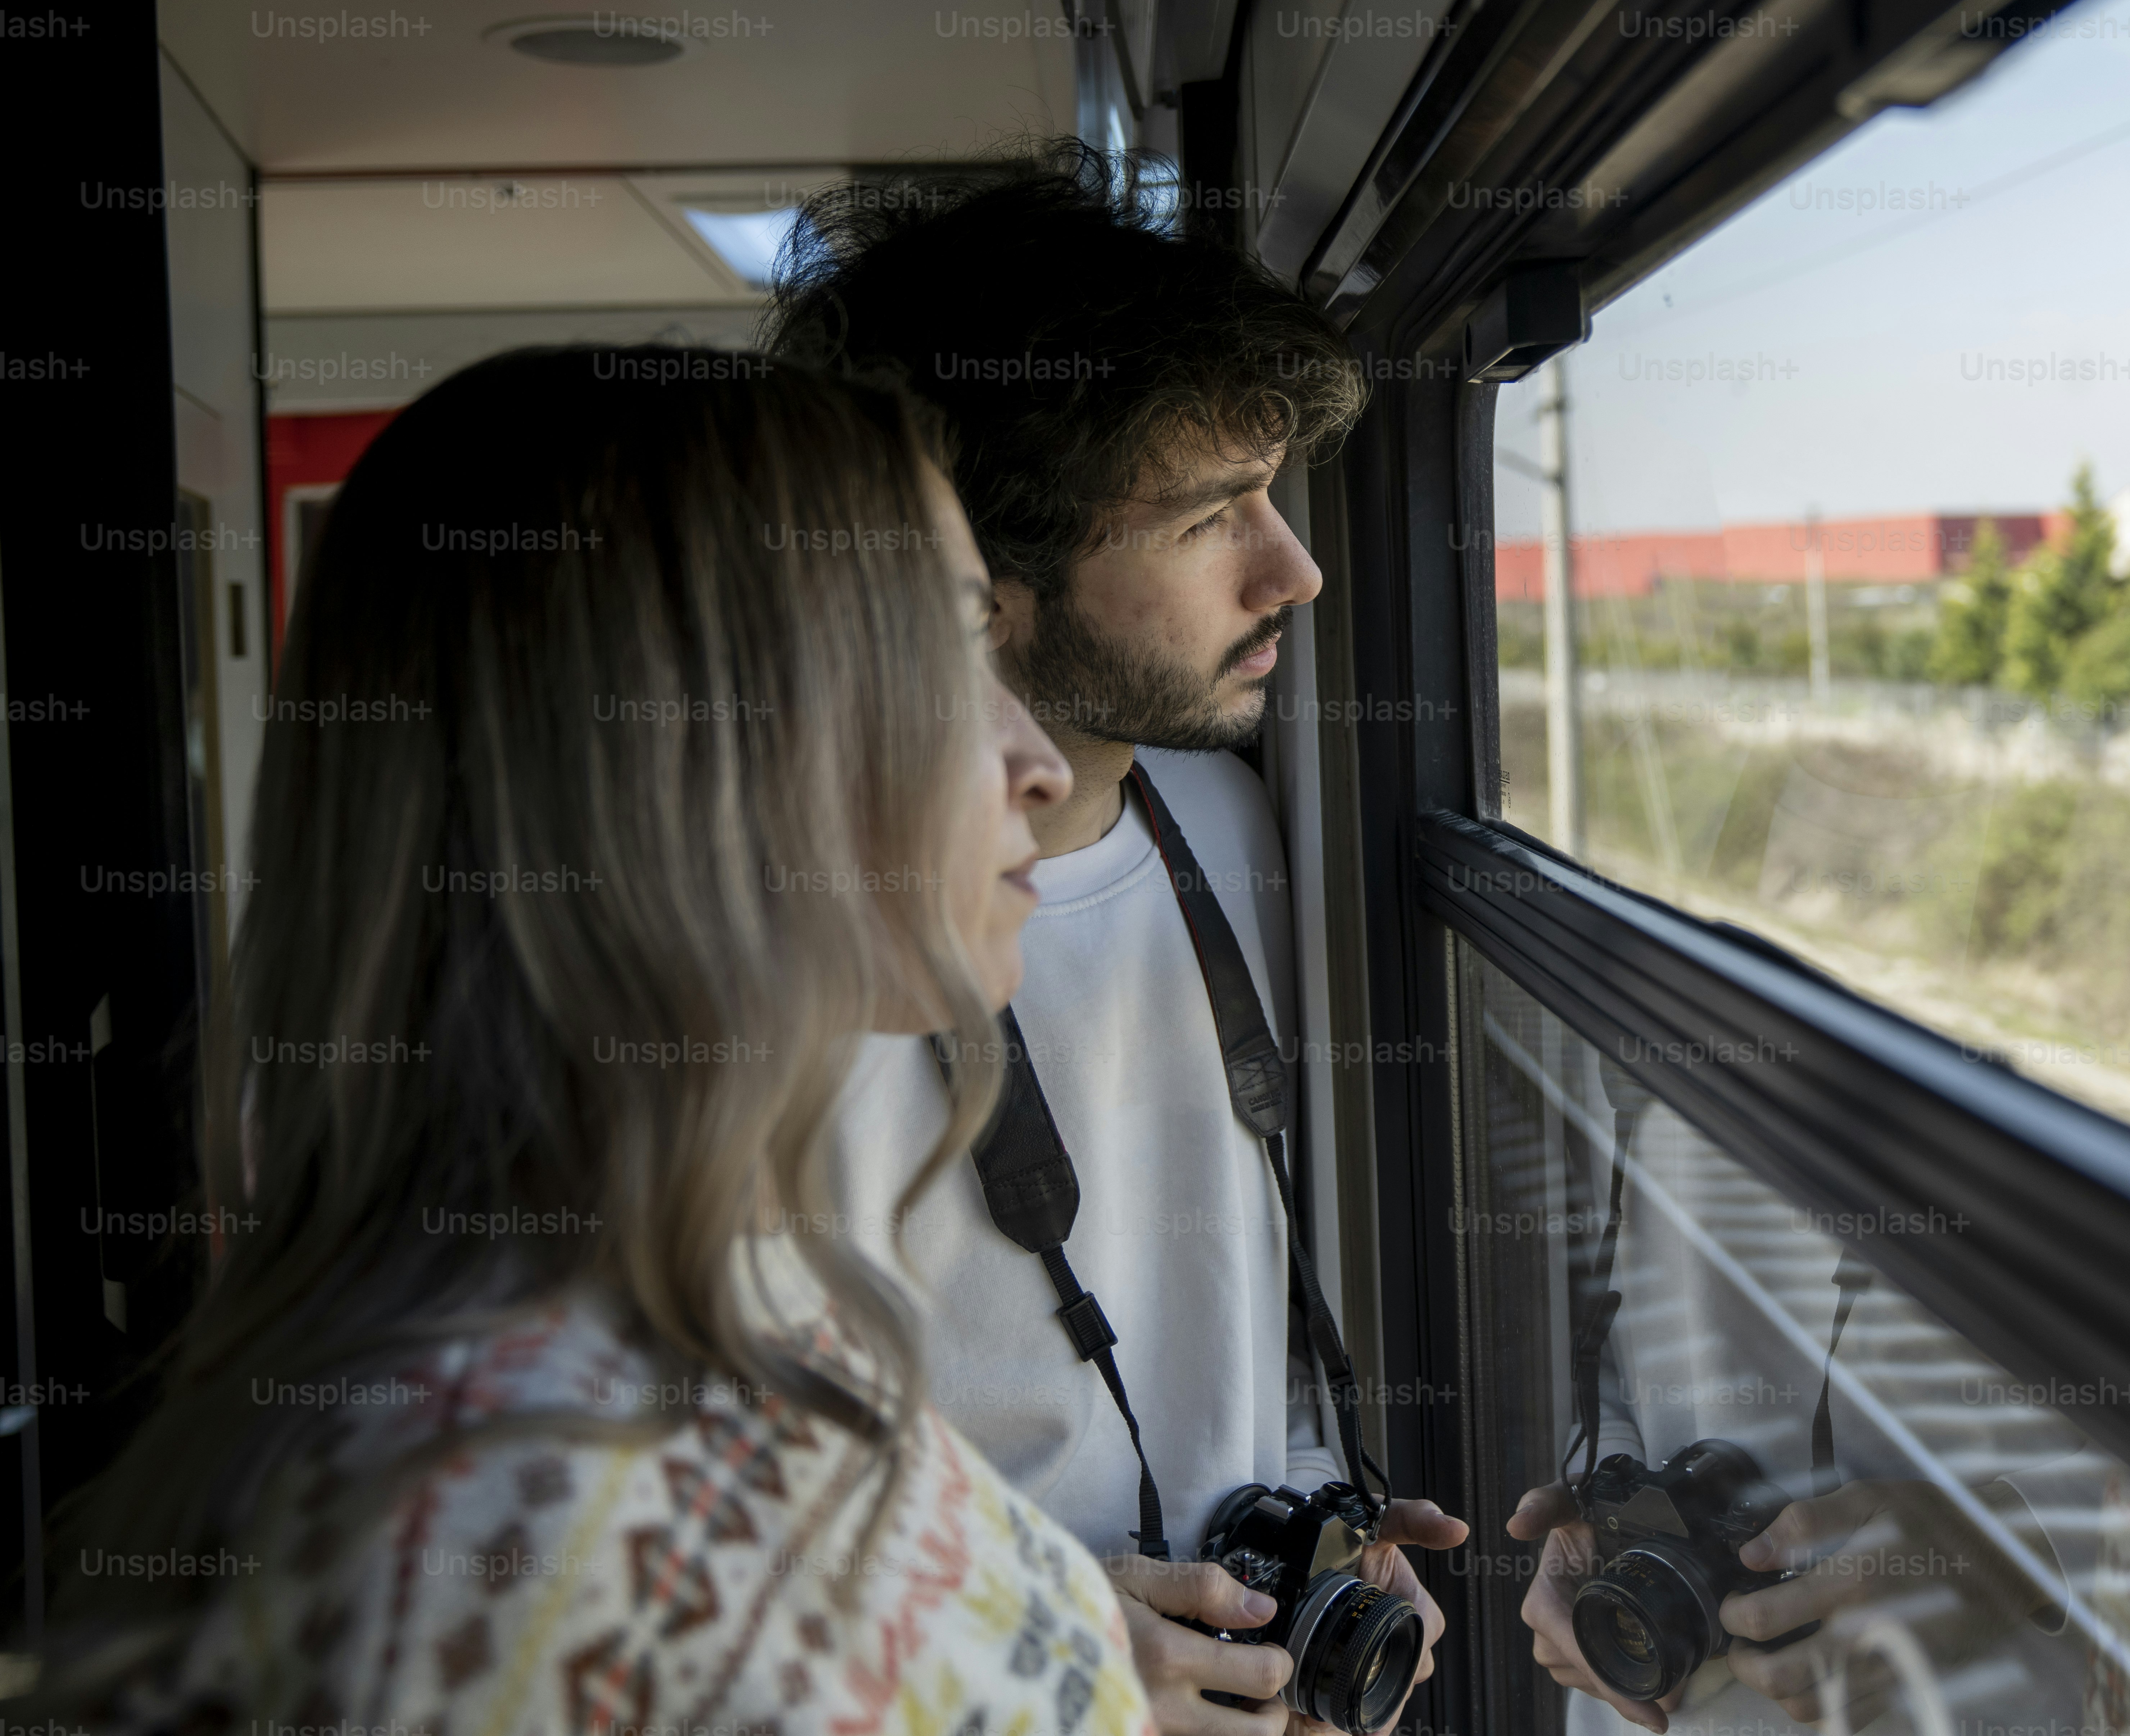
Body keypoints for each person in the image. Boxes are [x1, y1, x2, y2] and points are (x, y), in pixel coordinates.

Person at [26, 346, 1139, 1732]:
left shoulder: (693, 1312)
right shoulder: (507, 1543)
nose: (1036, 761)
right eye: (950, 649)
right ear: (694, 760)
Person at [768, 148, 1470, 1736]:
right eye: (1212, 517)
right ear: (992, 592)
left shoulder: (1238, 830)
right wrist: (1017, 1658)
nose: (1292, 567)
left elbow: (1244, 1301)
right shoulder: (783, 963)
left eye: (1273, 497)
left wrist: (1323, 1539)